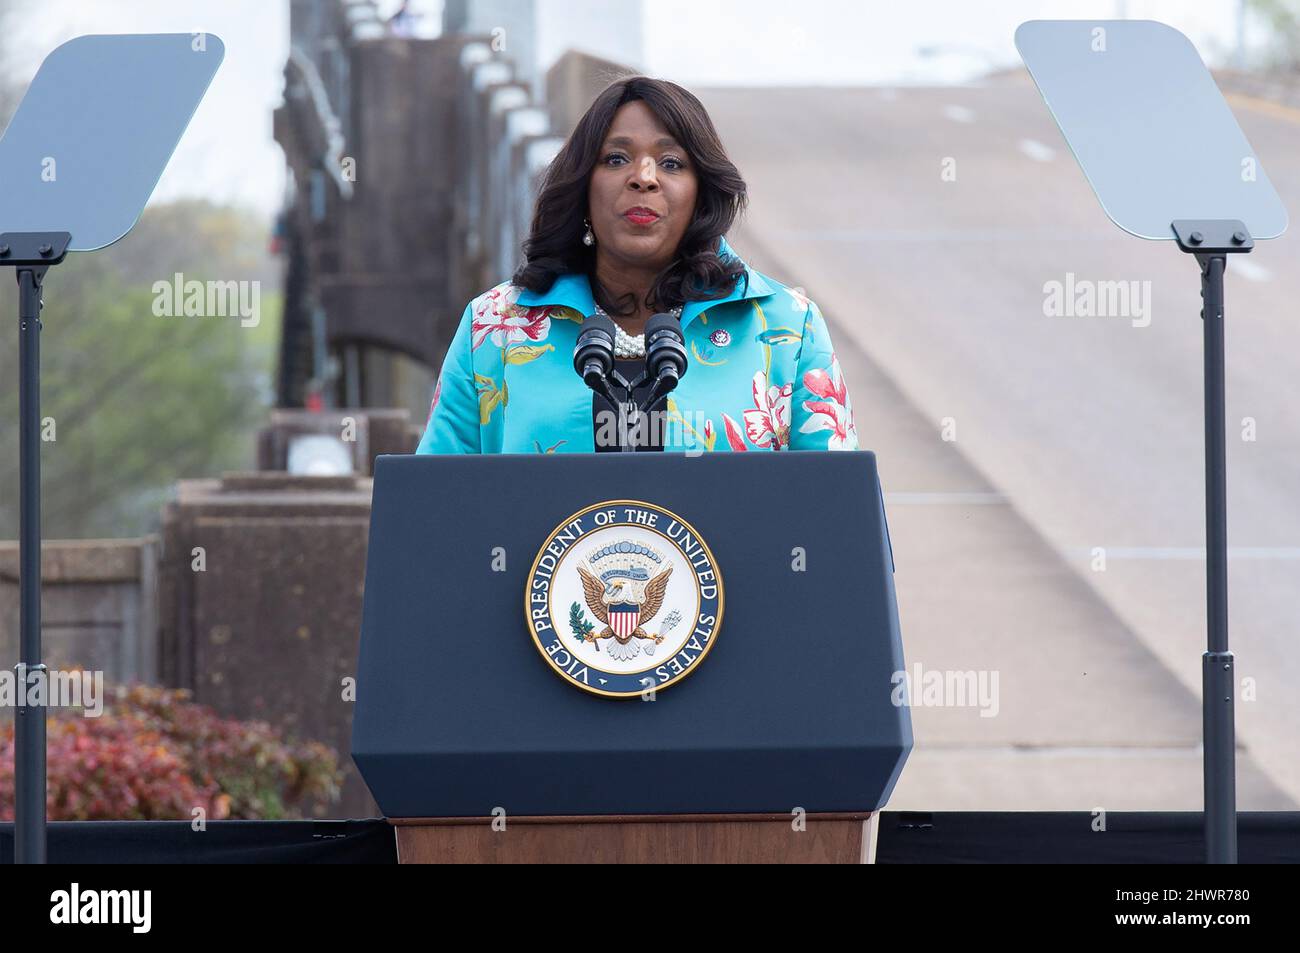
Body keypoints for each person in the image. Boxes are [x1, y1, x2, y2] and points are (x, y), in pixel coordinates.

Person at [417, 76, 858, 454]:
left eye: (671, 162)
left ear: (701, 193)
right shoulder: (493, 328)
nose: (643, 176)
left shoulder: (785, 328)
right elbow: (434, 512)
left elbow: (835, 515)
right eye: (615, 158)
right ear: (583, 186)